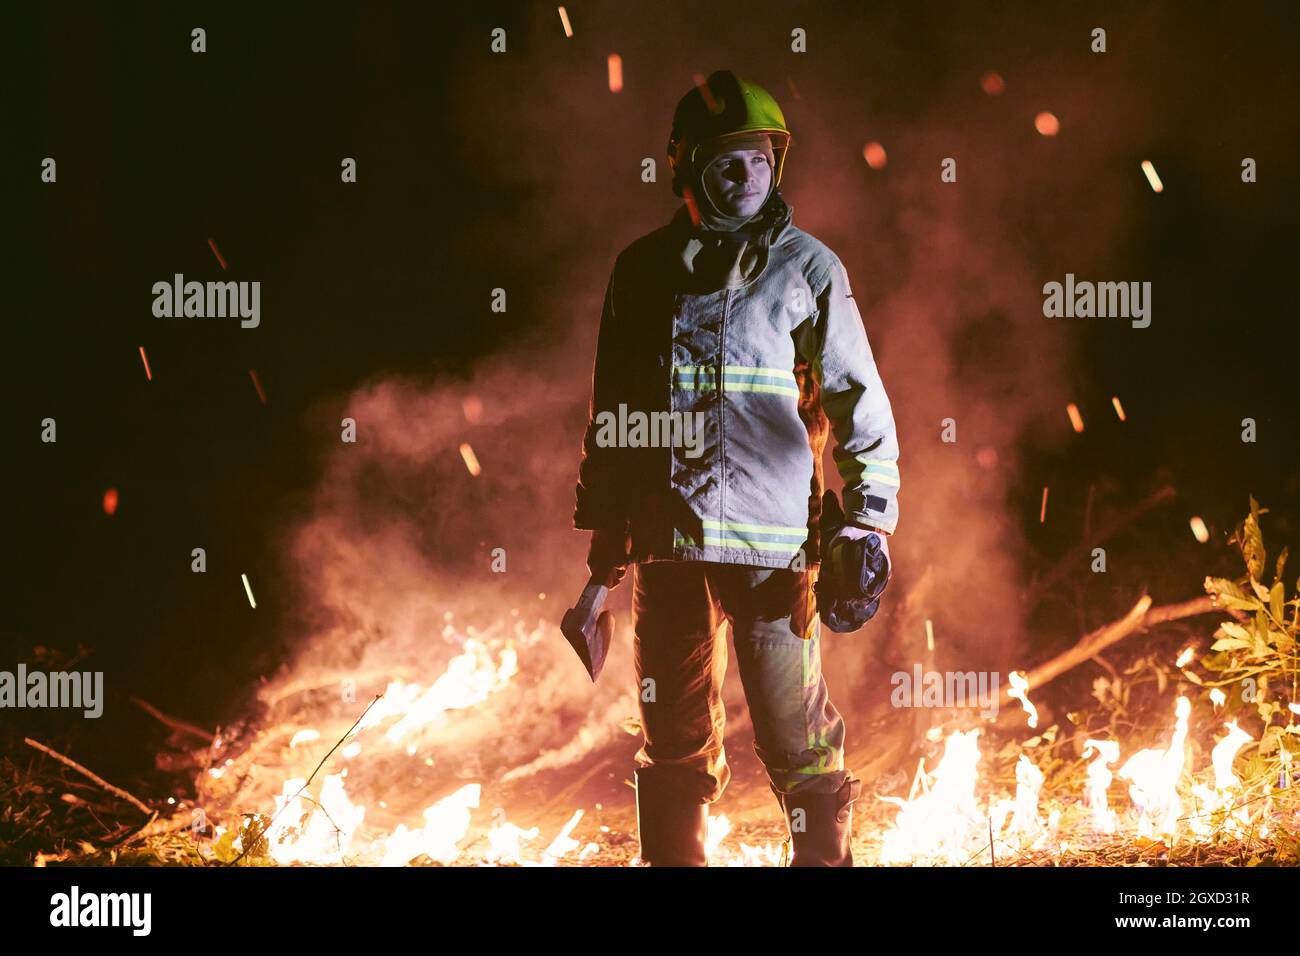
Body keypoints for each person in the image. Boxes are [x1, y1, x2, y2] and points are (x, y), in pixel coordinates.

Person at [572, 70, 900, 866]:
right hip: (668, 548)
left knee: (796, 735)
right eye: (728, 161)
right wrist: (601, 563)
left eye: (761, 159)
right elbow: (614, 419)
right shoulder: (641, 271)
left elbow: (860, 395)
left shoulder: (809, 269)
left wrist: (868, 518)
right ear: (685, 167)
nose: (748, 176)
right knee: (672, 735)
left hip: (773, 546)